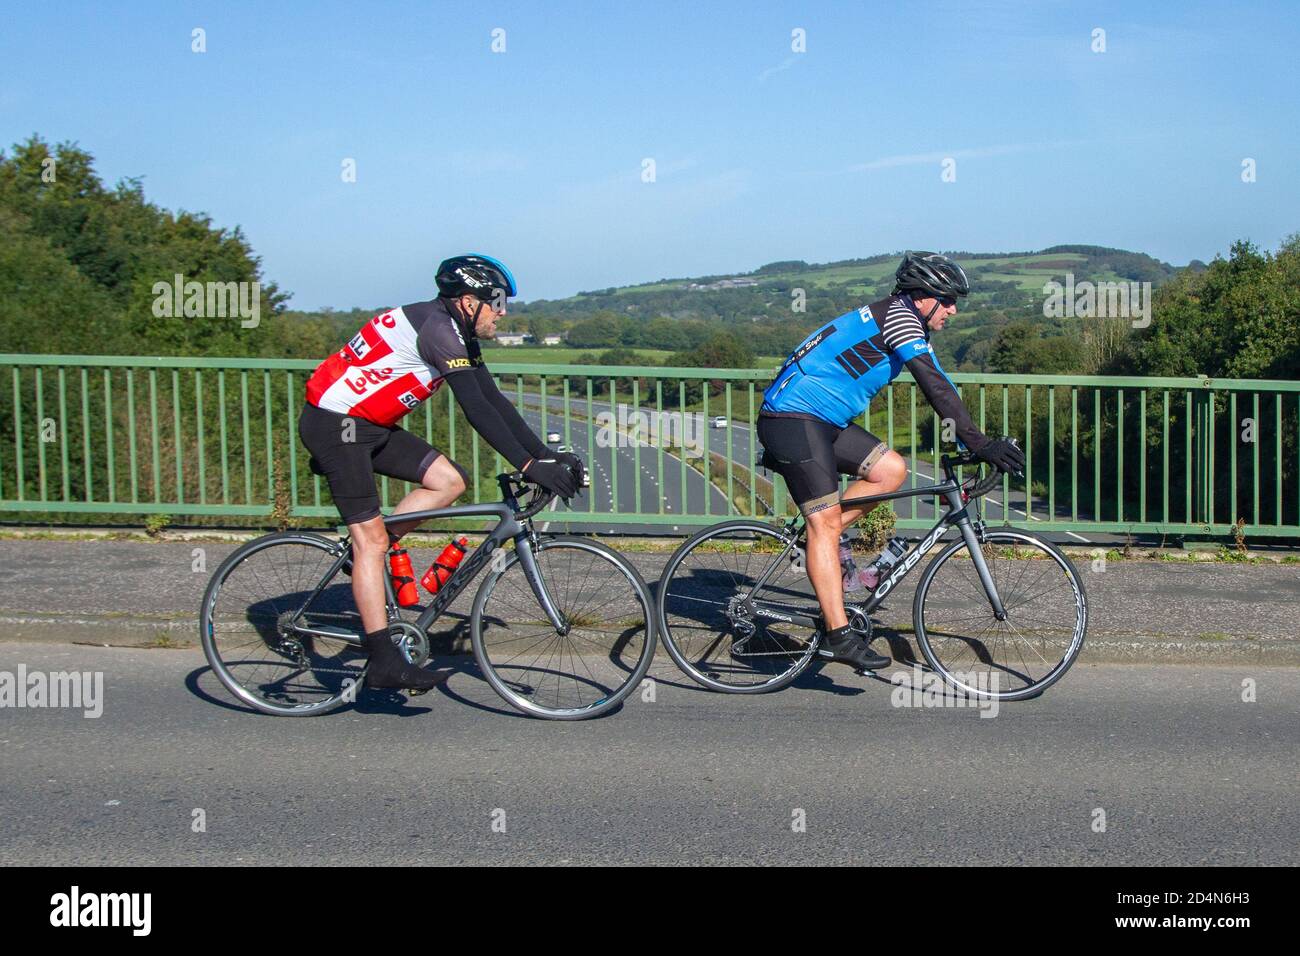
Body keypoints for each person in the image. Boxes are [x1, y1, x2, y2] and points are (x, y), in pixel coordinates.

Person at [298, 254, 583, 692]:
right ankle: (382, 662)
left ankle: (365, 563)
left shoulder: (455, 330)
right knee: (371, 540)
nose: (502, 313)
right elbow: (476, 412)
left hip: (369, 426)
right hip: (336, 427)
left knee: (449, 481)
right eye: (497, 302)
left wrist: (544, 456)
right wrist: (529, 466)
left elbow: (495, 401)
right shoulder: (438, 331)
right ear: (470, 302)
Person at [757, 251, 1025, 670]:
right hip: (792, 418)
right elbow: (933, 385)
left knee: (891, 470)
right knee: (825, 525)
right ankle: (838, 635)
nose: (953, 310)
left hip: (823, 419)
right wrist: (980, 443)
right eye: (949, 300)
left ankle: (820, 539)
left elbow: (942, 382)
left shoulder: (904, 319)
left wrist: (974, 443)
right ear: (923, 297)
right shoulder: (898, 318)